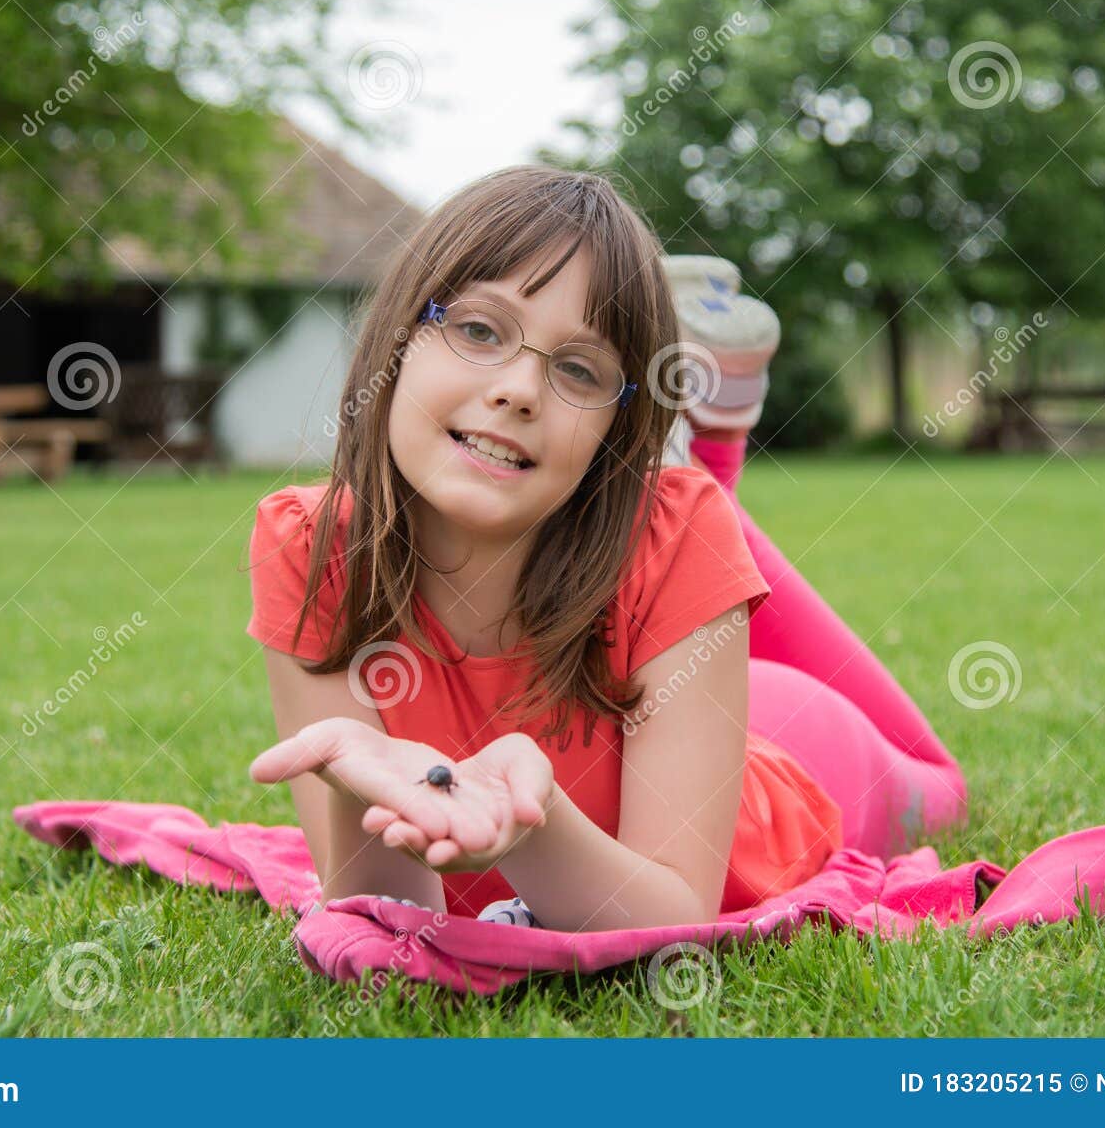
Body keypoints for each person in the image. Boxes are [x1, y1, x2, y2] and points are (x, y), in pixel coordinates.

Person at [242, 165, 965, 933]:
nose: (519, 389)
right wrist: (364, 790)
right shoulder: (309, 545)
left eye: (578, 369)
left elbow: (670, 913)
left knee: (944, 790)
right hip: (673, 670)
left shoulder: (671, 537)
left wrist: (538, 819)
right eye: (480, 329)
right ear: (396, 337)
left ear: (613, 434)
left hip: (800, 753)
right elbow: (385, 923)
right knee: (678, 537)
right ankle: (699, 446)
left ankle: (701, 454)